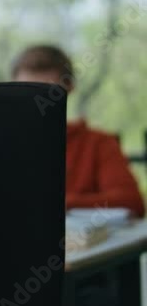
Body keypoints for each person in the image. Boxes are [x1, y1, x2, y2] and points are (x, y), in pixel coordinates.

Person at [12, 44, 145, 217]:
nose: (37, 102)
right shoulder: (4, 144)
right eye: (25, 91)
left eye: (48, 92)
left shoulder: (98, 143)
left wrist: (59, 202)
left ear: (70, 87)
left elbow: (131, 201)